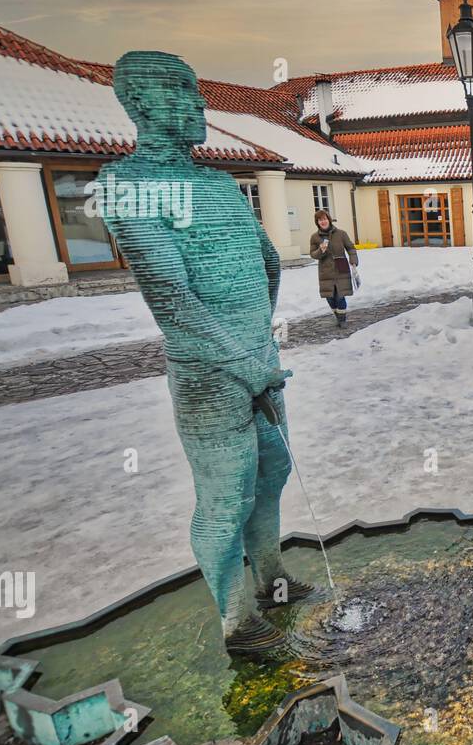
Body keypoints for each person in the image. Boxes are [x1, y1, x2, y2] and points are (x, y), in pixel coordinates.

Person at [102, 51, 317, 656]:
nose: (200, 104)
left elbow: (267, 261)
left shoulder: (219, 182)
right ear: (141, 104)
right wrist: (238, 355)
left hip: (256, 359)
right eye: (181, 93)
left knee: (272, 473)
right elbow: (170, 295)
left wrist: (258, 341)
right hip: (208, 373)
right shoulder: (128, 186)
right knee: (228, 493)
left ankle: (271, 581)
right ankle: (238, 620)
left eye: (197, 92)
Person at [311, 209, 358, 327]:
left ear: (329, 219)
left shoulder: (341, 234)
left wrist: (353, 261)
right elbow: (313, 254)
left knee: (340, 296)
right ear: (317, 222)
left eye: (325, 219)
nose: (323, 221)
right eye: (320, 220)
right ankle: (338, 315)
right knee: (330, 297)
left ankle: (342, 320)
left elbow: (351, 248)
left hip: (340, 267)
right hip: (325, 271)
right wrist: (320, 250)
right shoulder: (315, 237)